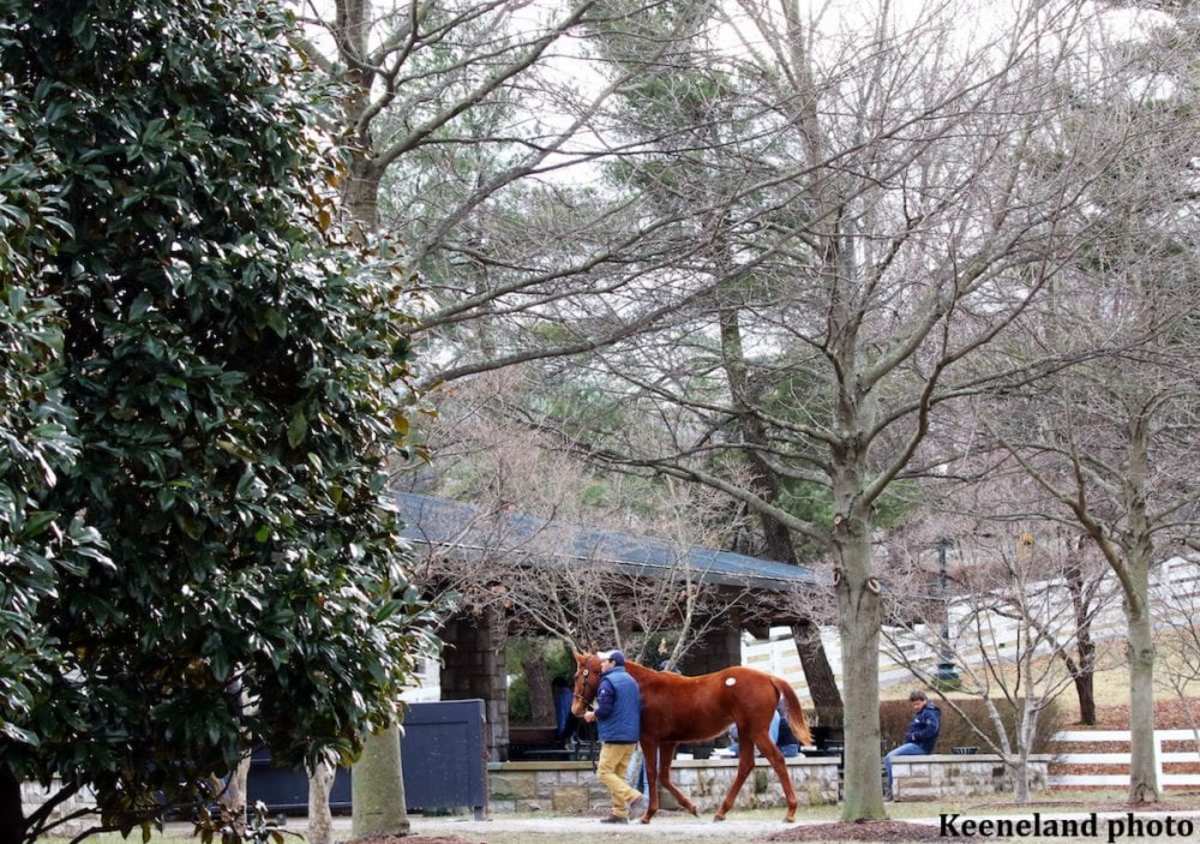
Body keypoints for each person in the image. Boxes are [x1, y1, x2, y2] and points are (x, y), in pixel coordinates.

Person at [582, 649, 645, 824]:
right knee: (619, 774)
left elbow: (605, 710)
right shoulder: (632, 681)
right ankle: (619, 813)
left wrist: (592, 715)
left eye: (604, 661)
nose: (601, 664)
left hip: (615, 736)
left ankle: (634, 797)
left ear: (613, 663)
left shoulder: (608, 682)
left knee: (603, 772)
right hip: (631, 737)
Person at [883, 690, 941, 800]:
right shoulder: (921, 713)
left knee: (889, 758)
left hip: (921, 747)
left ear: (924, 701)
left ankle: (890, 790)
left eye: (918, 704)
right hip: (915, 745)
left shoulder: (930, 712)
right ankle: (891, 789)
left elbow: (932, 730)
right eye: (913, 704)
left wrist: (915, 736)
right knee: (889, 758)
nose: (915, 707)